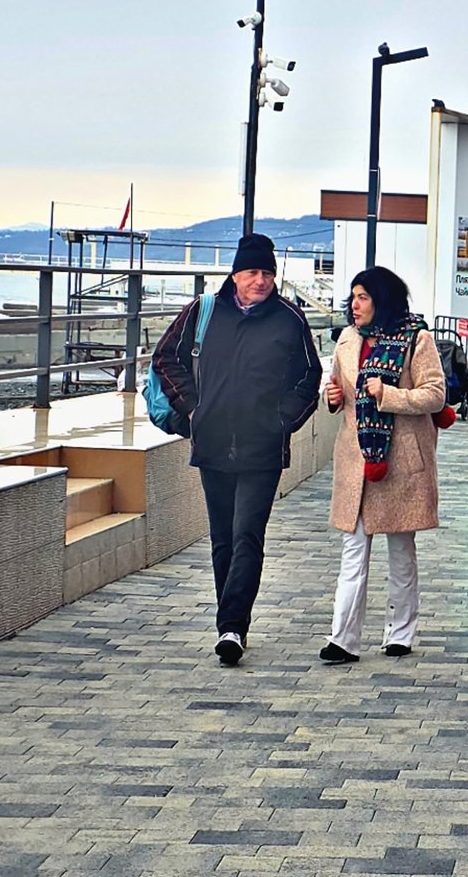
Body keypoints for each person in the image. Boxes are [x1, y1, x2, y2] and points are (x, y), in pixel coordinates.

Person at [152, 233, 321, 666]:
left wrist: (282, 421)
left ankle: (232, 627)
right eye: (252, 272)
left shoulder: (289, 318)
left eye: (267, 273)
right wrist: (193, 409)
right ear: (235, 275)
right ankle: (230, 622)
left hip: (263, 448)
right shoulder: (203, 310)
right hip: (212, 442)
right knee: (223, 540)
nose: (260, 280)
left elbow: (309, 377)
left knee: (247, 534)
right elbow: (165, 357)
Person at [319, 267, 444, 665]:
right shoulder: (347, 338)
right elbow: (340, 389)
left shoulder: (416, 338)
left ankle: (400, 633)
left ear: (382, 300)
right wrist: (333, 397)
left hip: (401, 460)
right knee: (353, 549)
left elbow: (435, 395)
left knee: (401, 550)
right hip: (357, 460)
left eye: (364, 297)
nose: (354, 305)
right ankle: (343, 639)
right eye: (353, 297)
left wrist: (388, 394)